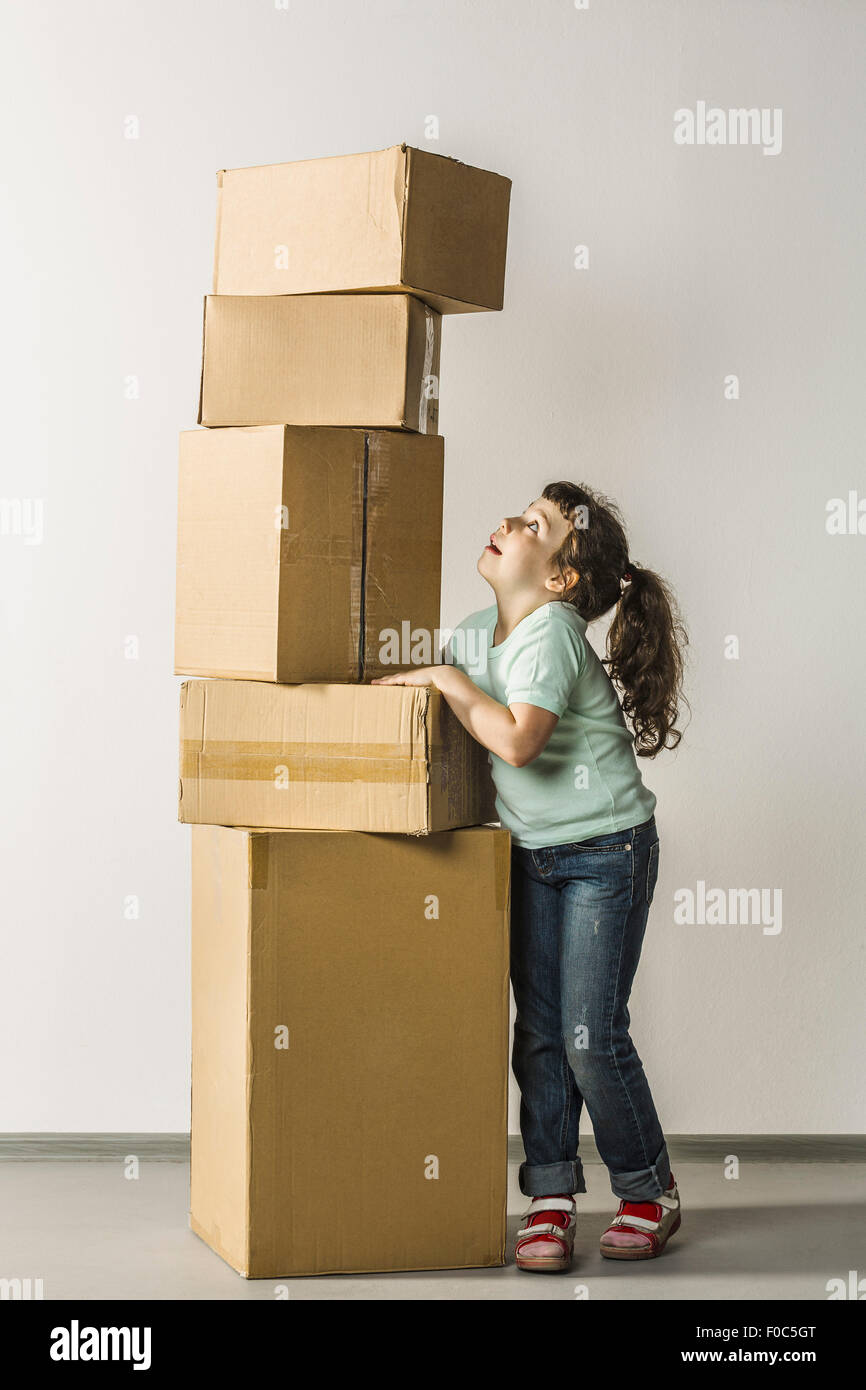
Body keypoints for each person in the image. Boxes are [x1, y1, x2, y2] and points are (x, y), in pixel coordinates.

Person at [372, 481, 689, 1272]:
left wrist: (444, 683)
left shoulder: (549, 633)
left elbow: (515, 744)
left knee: (589, 1036)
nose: (510, 521)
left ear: (558, 580)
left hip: (603, 852)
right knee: (542, 1034)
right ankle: (550, 1196)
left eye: (534, 526)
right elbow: (452, 713)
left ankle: (649, 1190)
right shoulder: (481, 632)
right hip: (533, 855)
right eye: (521, 512)